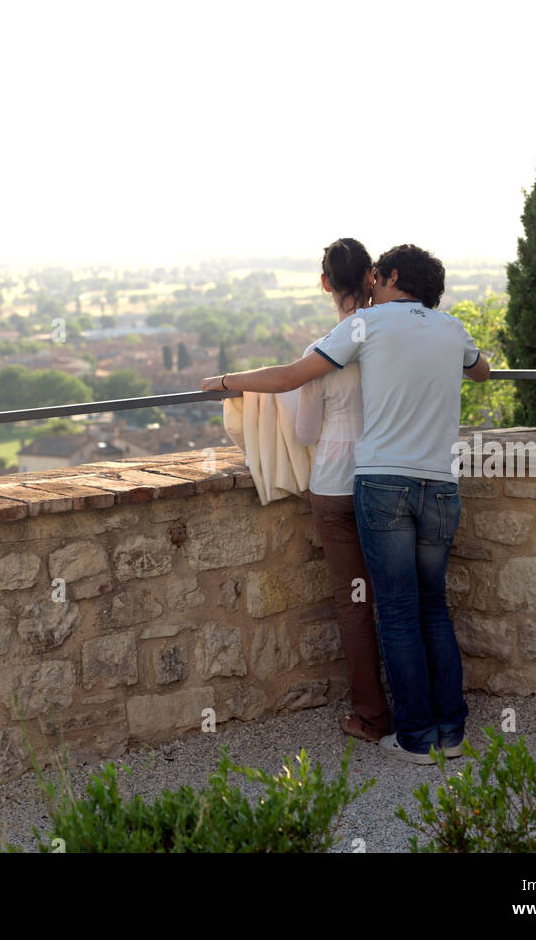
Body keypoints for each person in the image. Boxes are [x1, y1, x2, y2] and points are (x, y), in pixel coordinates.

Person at [202, 243, 490, 766]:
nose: (372, 284)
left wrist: (226, 382)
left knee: (397, 614)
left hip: (384, 483)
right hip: (442, 486)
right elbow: (484, 372)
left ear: (393, 276)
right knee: (434, 609)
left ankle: (414, 738)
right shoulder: (451, 329)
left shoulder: (369, 327)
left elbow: (292, 377)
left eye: (379, 276)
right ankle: (452, 732)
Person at [294, 238, 390, 744]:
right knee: (398, 596)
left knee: (354, 605)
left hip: (334, 486)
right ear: (371, 276)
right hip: (384, 478)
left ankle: (371, 716)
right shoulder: (386, 345)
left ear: (327, 283)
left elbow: (306, 434)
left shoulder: (320, 353)